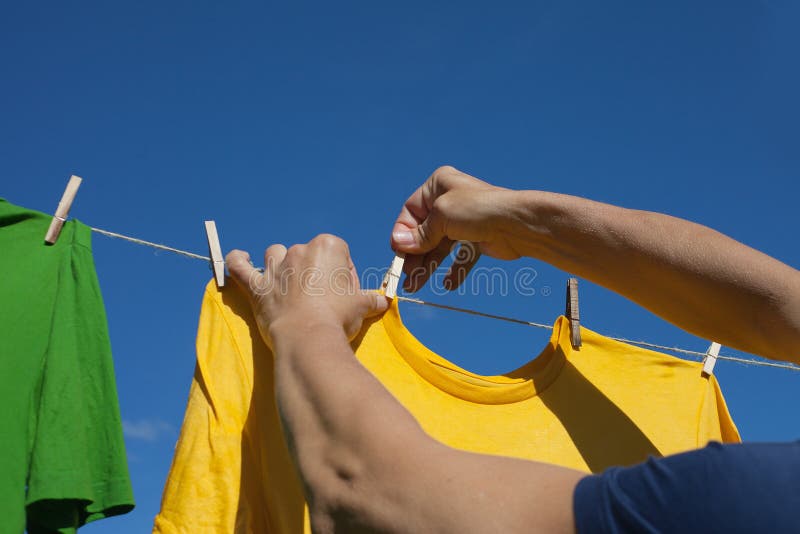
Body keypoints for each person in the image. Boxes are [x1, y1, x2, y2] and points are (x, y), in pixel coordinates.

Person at [226, 166, 800, 533]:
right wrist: (518, 219)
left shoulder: (745, 498)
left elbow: (368, 497)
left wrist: (303, 324)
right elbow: (771, 309)